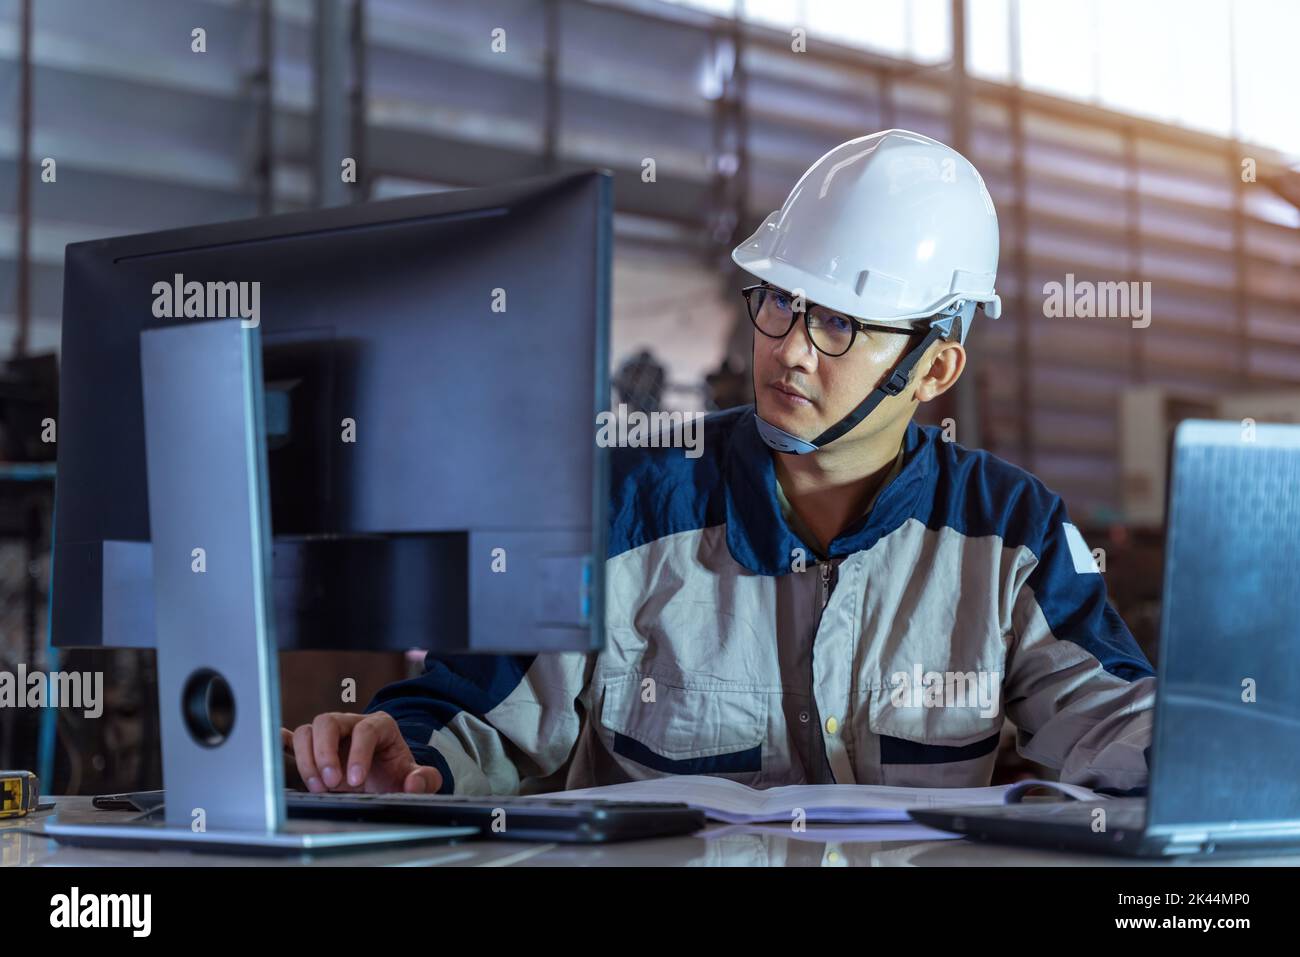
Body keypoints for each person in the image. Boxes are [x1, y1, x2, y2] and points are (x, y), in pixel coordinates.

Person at [284, 129, 1154, 798]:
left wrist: (1228, 742)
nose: (792, 350)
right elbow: (472, 710)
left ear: (933, 368)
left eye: (840, 323)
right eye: (780, 301)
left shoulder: (1012, 533)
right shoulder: (622, 503)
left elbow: (1111, 722)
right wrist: (402, 749)